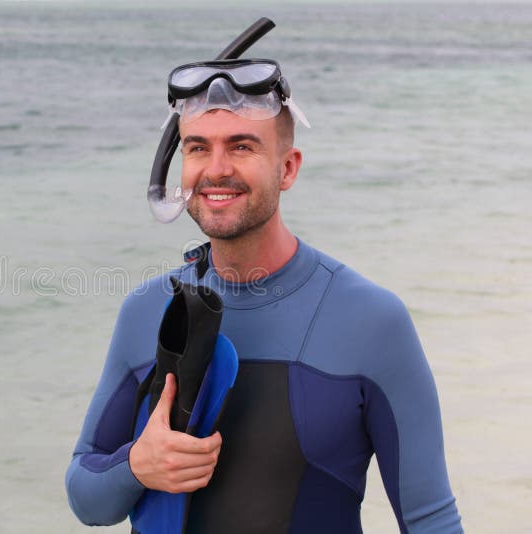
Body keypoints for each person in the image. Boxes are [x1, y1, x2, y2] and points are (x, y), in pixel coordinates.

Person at [65, 40, 462, 533]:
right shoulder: (147, 312)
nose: (216, 169)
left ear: (288, 167)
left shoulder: (371, 321)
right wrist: (136, 466)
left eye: (242, 146)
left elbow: (430, 520)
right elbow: (87, 498)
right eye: (197, 148)